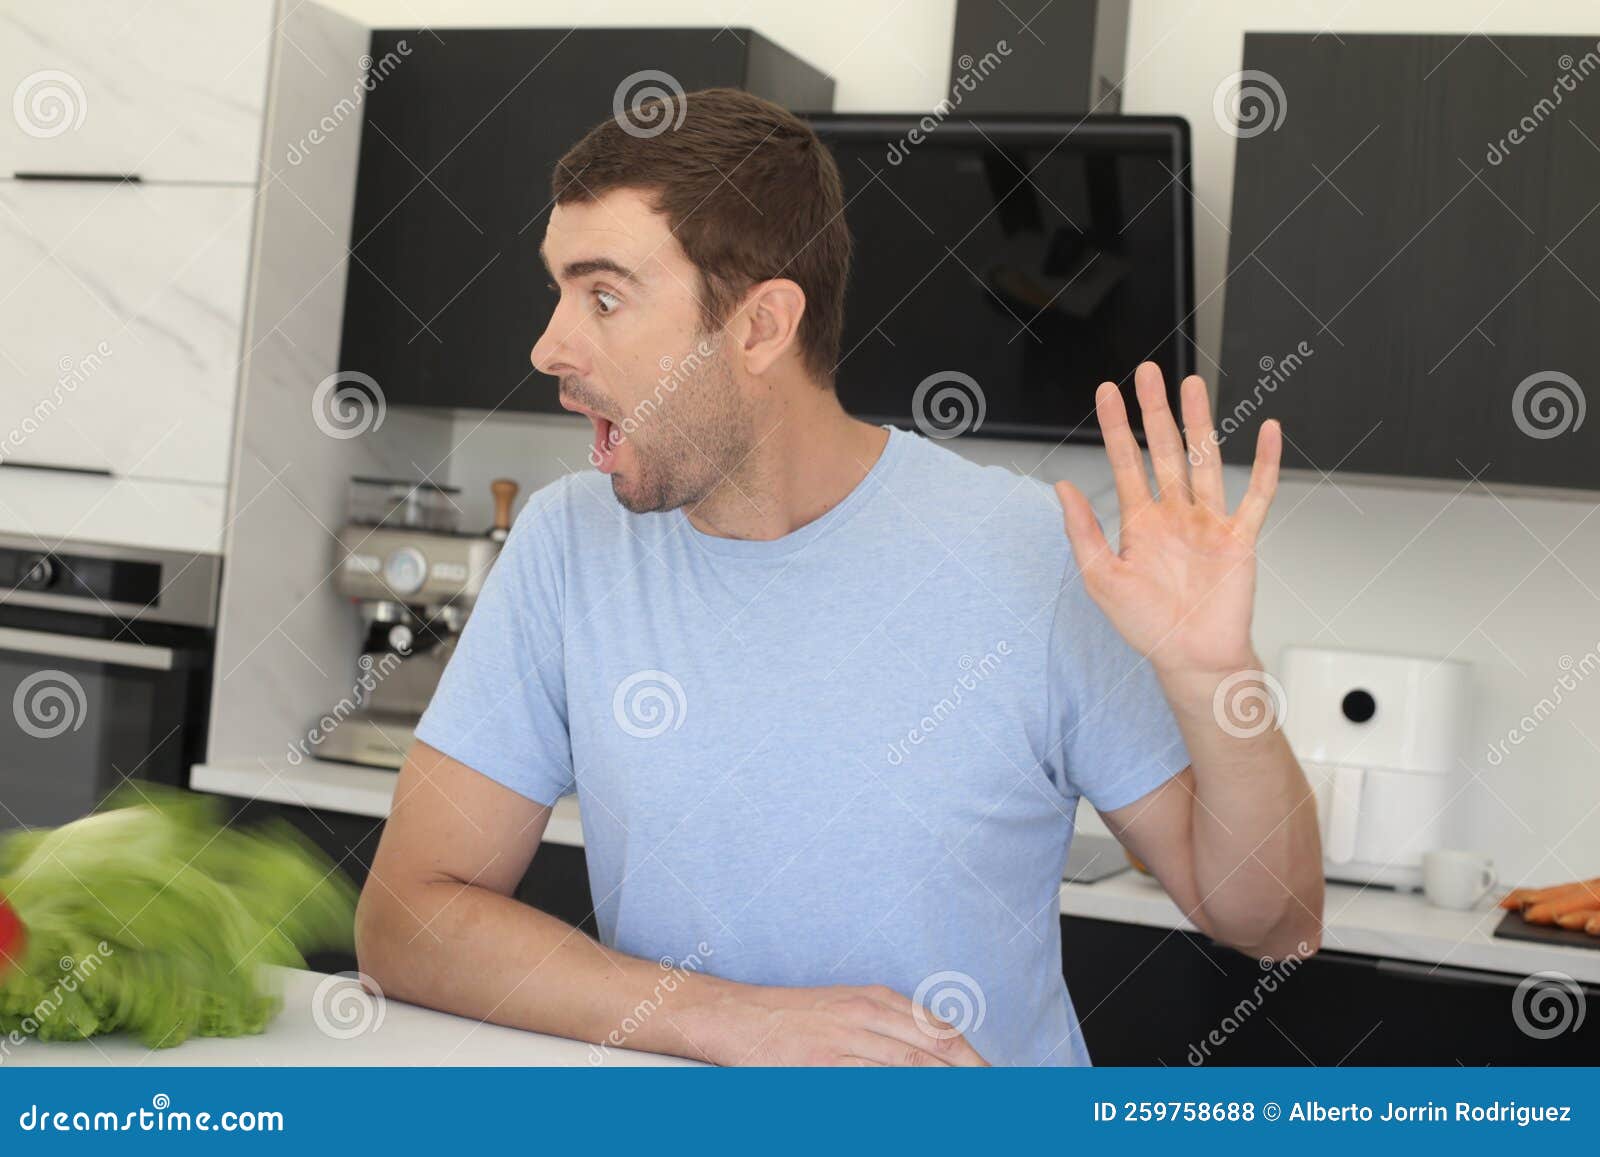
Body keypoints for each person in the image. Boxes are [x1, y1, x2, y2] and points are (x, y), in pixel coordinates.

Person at [355, 87, 1323, 1066]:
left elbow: (1270, 921)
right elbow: (405, 919)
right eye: (558, 291)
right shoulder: (569, 544)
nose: (548, 347)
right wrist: (737, 1019)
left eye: (602, 295)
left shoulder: (1028, 550)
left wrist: (1211, 674)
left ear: (761, 326)